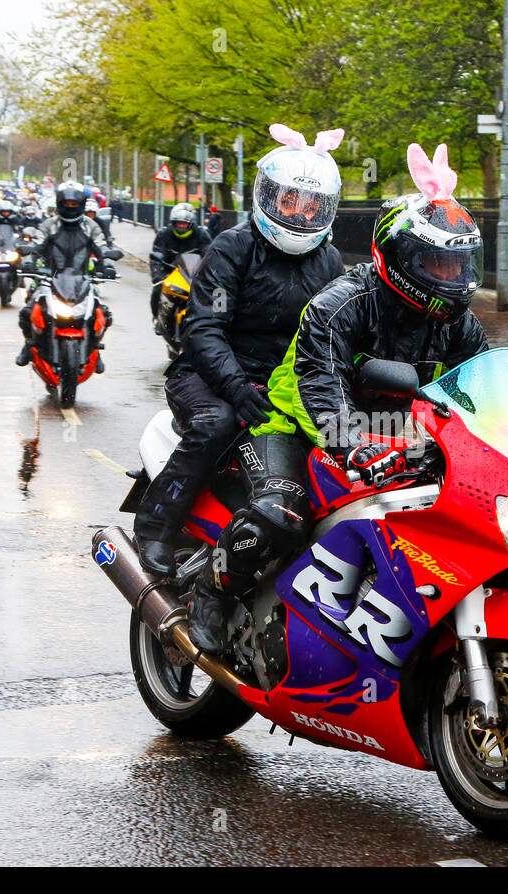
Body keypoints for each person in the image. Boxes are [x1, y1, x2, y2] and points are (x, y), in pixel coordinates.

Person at [183, 141, 488, 654]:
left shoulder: (461, 326)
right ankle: (212, 591)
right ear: (399, 256)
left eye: (457, 265)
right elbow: (319, 383)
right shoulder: (342, 304)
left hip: (390, 434)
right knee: (282, 513)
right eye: (436, 264)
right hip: (294, 420)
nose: (449, 277)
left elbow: (479, 392)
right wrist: (351, 443)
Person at [131, 123, 346, 581]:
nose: (300, 212)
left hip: (285, 383)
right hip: (208, 375)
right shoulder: (234, 247)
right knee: (217, 423)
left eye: (311, 205)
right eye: (288, 200)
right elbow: (204, 326)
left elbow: (338, 329)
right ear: (267, 198)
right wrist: (235, 385)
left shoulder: (328, 260)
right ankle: (155, 525)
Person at [14, 180, 115, 368]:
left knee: (104, 314)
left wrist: (108, 264)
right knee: (27, 312)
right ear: (60, 203)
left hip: (83, 279)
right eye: (67, 204)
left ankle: (93, 349)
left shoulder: (90, 226)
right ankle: (28, 344)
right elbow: (36, 245)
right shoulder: (49, 225)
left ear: (81, 205)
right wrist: (28, 262)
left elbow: (102, 247)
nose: (70, 207)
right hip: (50, 278)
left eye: (74, 204)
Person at [147, 201, 212, 320]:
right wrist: (158, 275)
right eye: (179, 223)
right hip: (170, 272)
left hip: (194, 273)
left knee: (214, 295)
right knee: (157, 290)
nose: (181, 226)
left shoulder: (202, 234)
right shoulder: (164, 234)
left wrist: (210, 273)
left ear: (191, 224)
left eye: (184, 224)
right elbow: (157, 254)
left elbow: (210, 254)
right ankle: (157, 318)